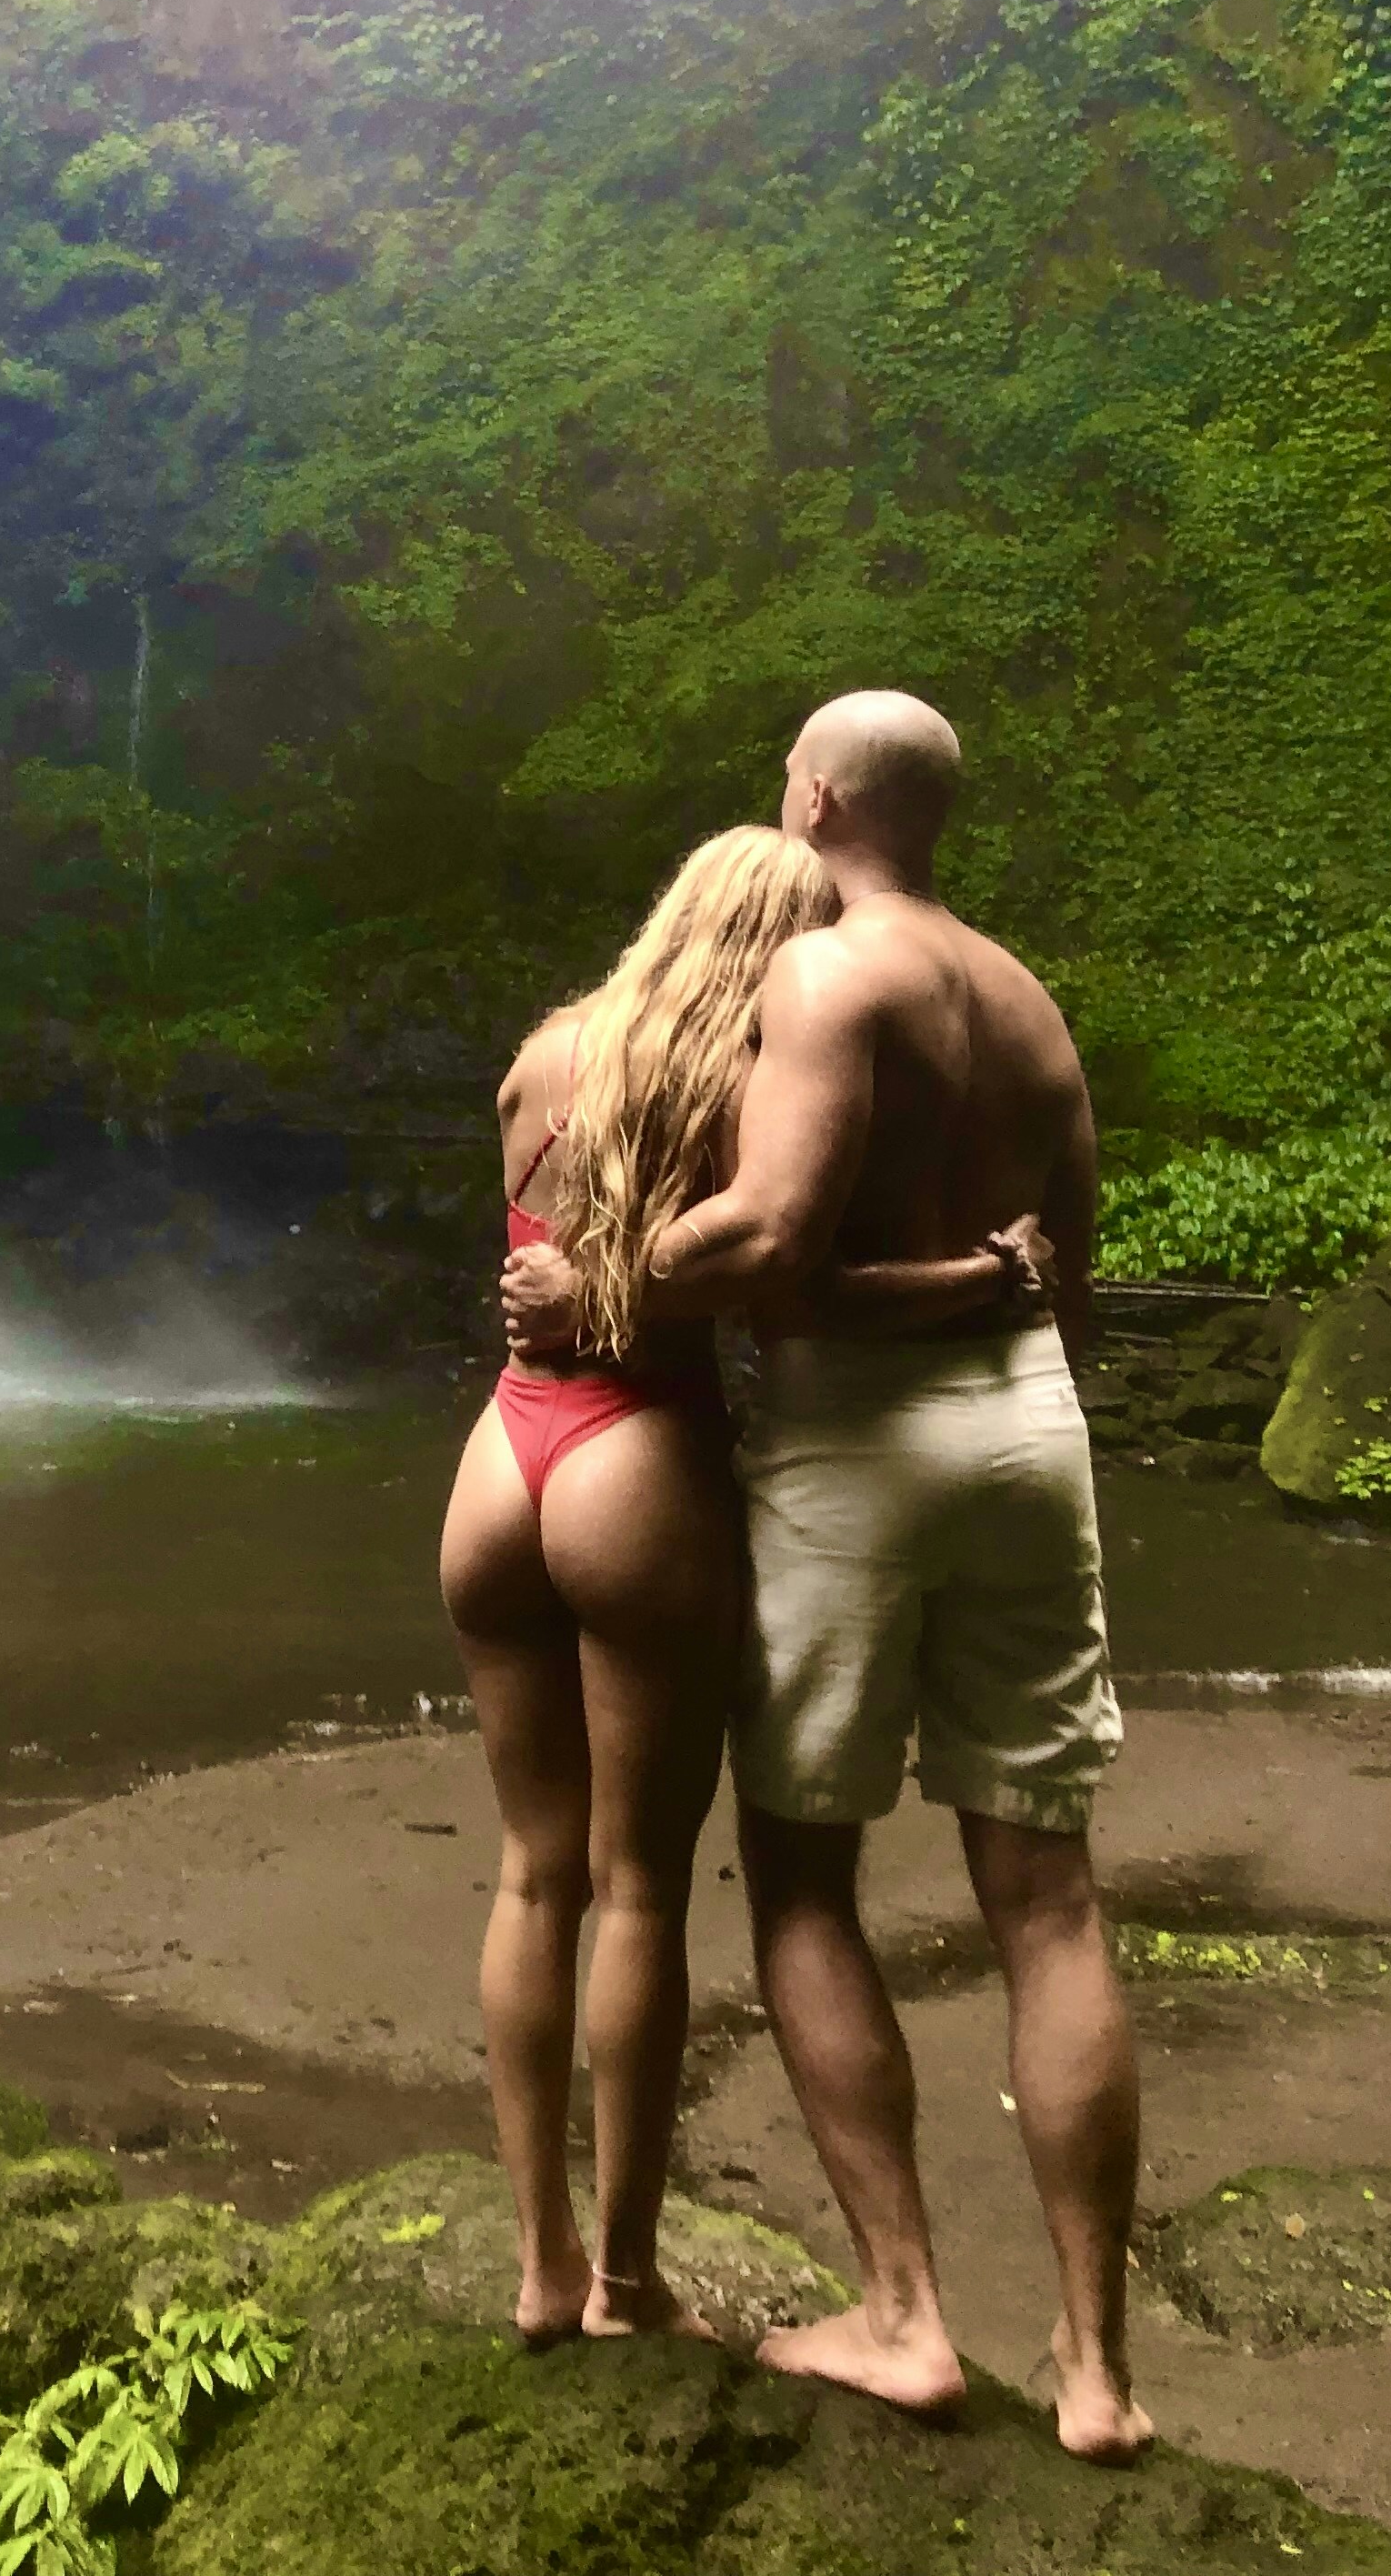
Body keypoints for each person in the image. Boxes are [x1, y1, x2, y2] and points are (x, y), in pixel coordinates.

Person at [524, 690, 1145, 2461]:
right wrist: (1029, 1421)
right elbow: (1073, 1276)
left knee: (803, 1877)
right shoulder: (1027, 1001)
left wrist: (608, 1276)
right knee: (1050, 1899)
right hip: (1034, 1436)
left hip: (856, 1447)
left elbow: (778, 1231)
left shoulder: (822, 975)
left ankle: (903, 2319)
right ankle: (1101, 2376)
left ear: (810, 797)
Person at [445, 826, 1049, 2346]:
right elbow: (781, 1281)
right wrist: (989, 1273)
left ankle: (531, 2264)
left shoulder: (544, 1051)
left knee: (531, 1872)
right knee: (640, 1883)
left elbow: (532, 1252)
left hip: (499, 1457)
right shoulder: (743, 1090)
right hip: (634, 1457)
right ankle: (621, 2282)